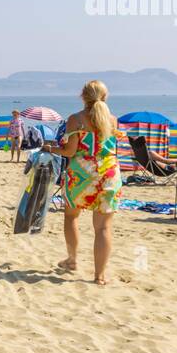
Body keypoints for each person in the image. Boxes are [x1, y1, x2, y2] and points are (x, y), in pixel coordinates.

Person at [43, 80, 121, 286]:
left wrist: (50, 149)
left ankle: (72, 260)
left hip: (82, 175)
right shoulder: (112, 120)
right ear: (105, 97)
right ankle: (100, 276)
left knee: (71, 217)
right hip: (109, 174)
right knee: (103, 228)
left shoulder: (75, 120)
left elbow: (69, 152)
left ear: (82, 96)